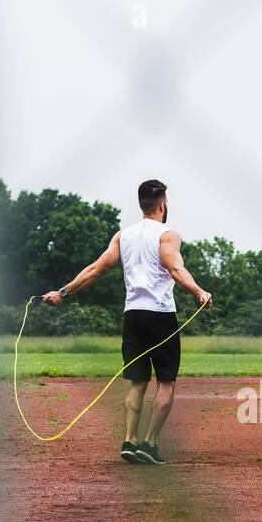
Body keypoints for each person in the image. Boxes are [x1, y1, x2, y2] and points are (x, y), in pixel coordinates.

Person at [42, 179, 212, 464]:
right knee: (166, 382)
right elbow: (176, 269)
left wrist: (62, 292)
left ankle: (129, 441)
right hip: (160, 315)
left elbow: (96, 270)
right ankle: (149, 444)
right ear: (163, 204)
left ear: (140, 204)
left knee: (137, 382)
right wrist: (199, 292)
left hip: (132, 315)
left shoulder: (124, 236)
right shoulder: (168, 235)